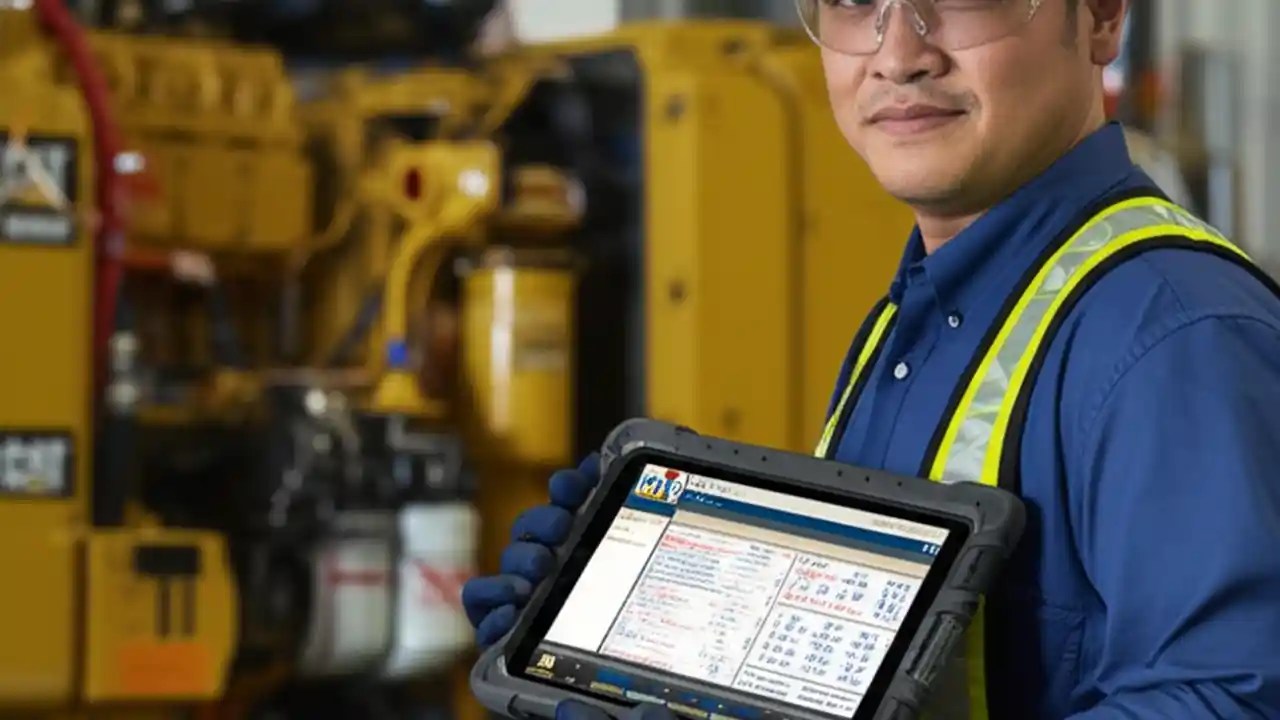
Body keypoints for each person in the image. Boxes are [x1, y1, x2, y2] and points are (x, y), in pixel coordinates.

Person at [463, 1, 1280, 718]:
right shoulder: (915, 314)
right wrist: (652, 651)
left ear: (1101, 16)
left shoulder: (1175, 335)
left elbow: (1232, 698)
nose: (898, 52)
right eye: (854, 0)